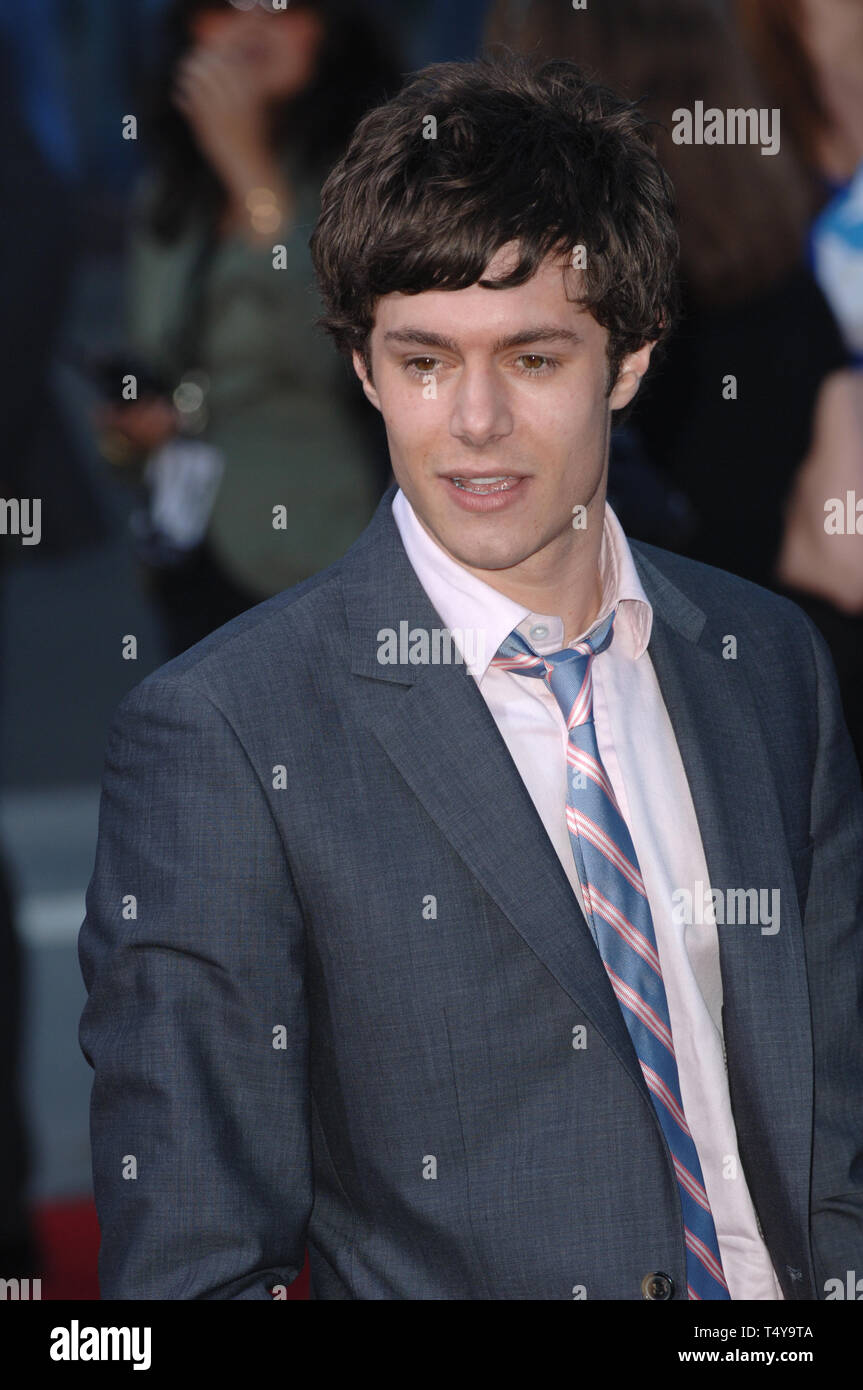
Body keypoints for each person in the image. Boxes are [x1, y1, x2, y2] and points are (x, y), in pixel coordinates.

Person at [78, 53, 863, 1301]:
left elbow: (834, 1132)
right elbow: (190, 1265)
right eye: (425, 360)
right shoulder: (226, 734)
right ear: (362, 367)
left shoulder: (763, 661)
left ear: (631, 360)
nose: (475, 422)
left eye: (534, 359)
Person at [94, 0, 399, 656]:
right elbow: (159, 352)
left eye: (286, 6)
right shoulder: (173, 185)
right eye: (222, 6)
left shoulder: (382, 180)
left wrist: (249, 169)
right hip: (192, 553)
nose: (252, 23)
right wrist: (134, 430)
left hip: (324, 551)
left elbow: (334, 353)